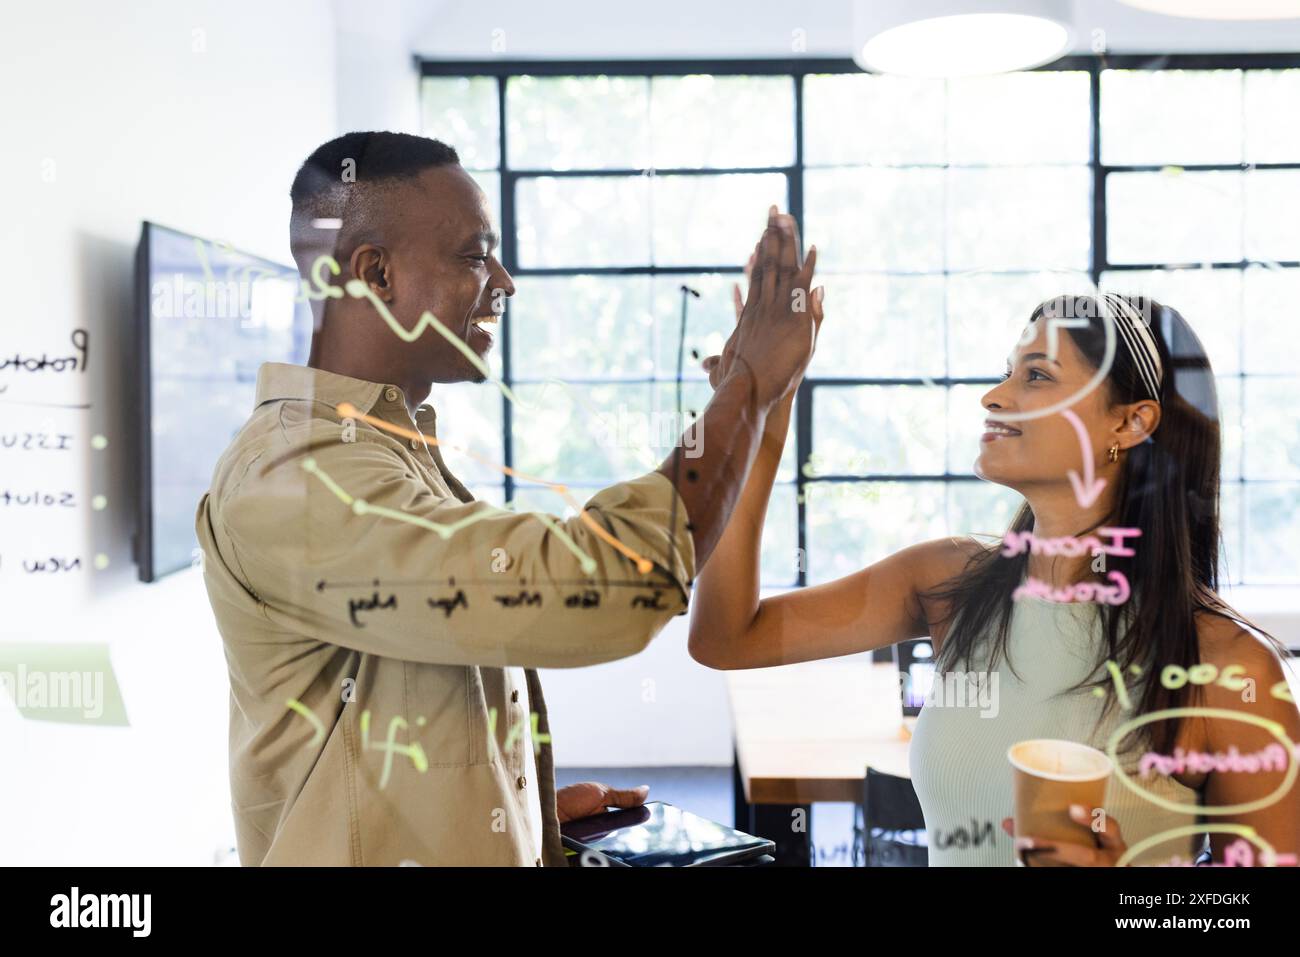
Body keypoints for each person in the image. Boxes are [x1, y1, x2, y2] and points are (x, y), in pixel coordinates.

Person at [194, 131, 822, 865]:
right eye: (472, 255)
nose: (503, 281)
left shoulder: (381, 451)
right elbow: (606, 583)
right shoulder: (297, 477)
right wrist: (746, 387)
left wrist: (522, 817)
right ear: (374, 274)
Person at [691, 283, 1299, 867]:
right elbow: (726, 636)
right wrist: (757, 414)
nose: (994, 396)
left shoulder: (1229, 665)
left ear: (1130, 423)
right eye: (1008, 371)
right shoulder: (948, 581)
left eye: (1036, 375)